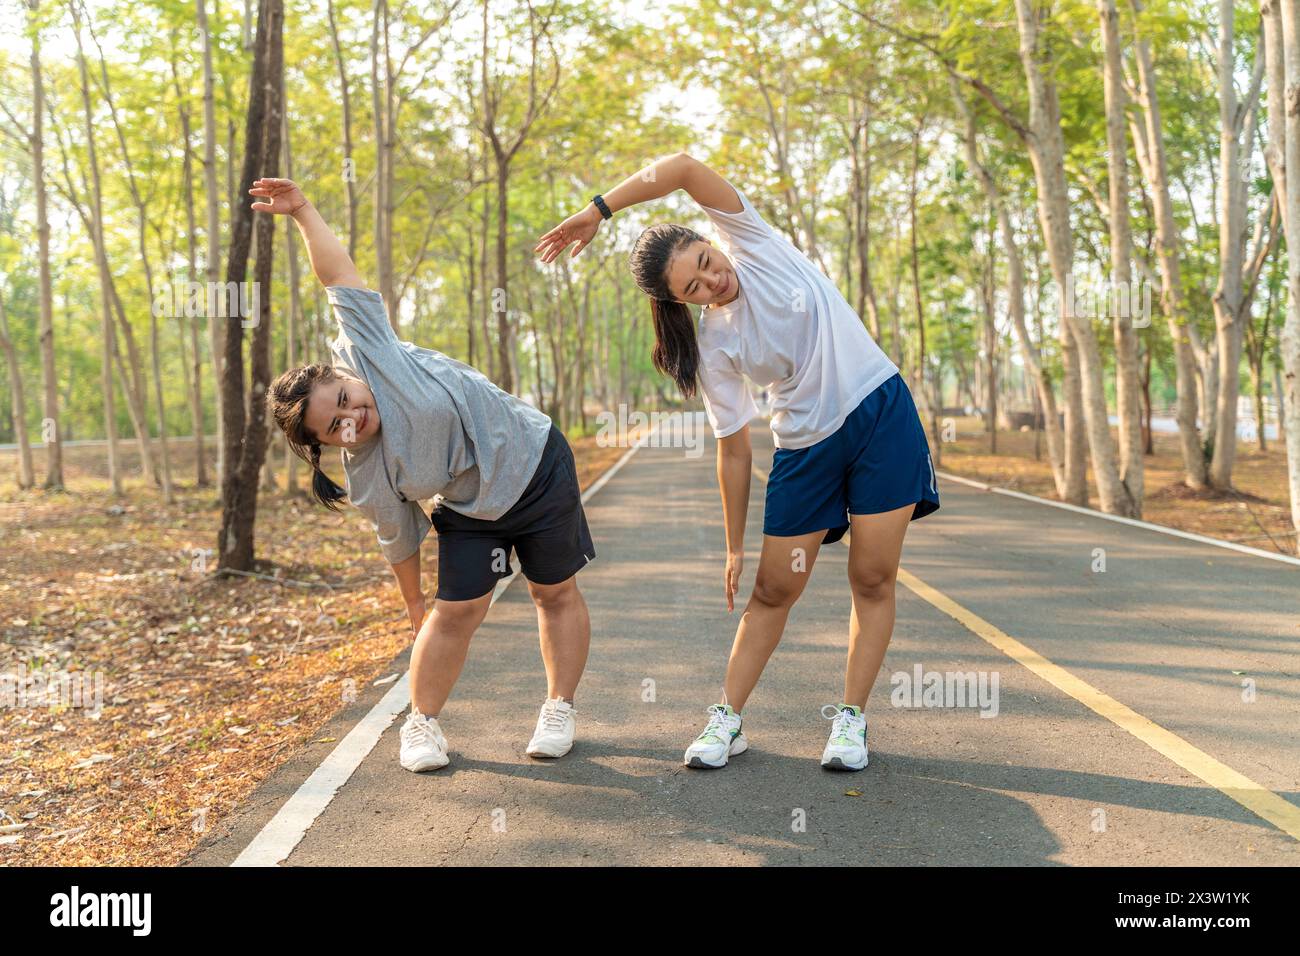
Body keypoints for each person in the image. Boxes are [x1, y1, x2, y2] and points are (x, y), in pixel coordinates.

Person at [536, 153, 939, 771]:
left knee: (873, 578)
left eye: (704, 262)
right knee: (774, 589)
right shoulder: (714, 343)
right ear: (680, 303)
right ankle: (728, 718)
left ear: (710, 240)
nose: (712, 280)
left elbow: (680, 166)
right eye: (693, 287)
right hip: (805, 447)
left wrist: (598, 211)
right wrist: (732, 546)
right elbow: (733, 445)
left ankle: (851, 721)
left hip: (881, 416)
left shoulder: (754, 244)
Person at [254, 177, 595, 772]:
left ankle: (559, 707)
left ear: (346, 373)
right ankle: (421, 725)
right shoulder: (367, 470)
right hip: (470, 505)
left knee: (554, 592)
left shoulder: (373, 354)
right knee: (454, 611)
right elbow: (399, 539)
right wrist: (416, 607)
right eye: (334, 427)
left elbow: (337, 278)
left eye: (343, 399)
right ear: (327, 445)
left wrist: (304, 210)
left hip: (535, 462)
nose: (351, 418)